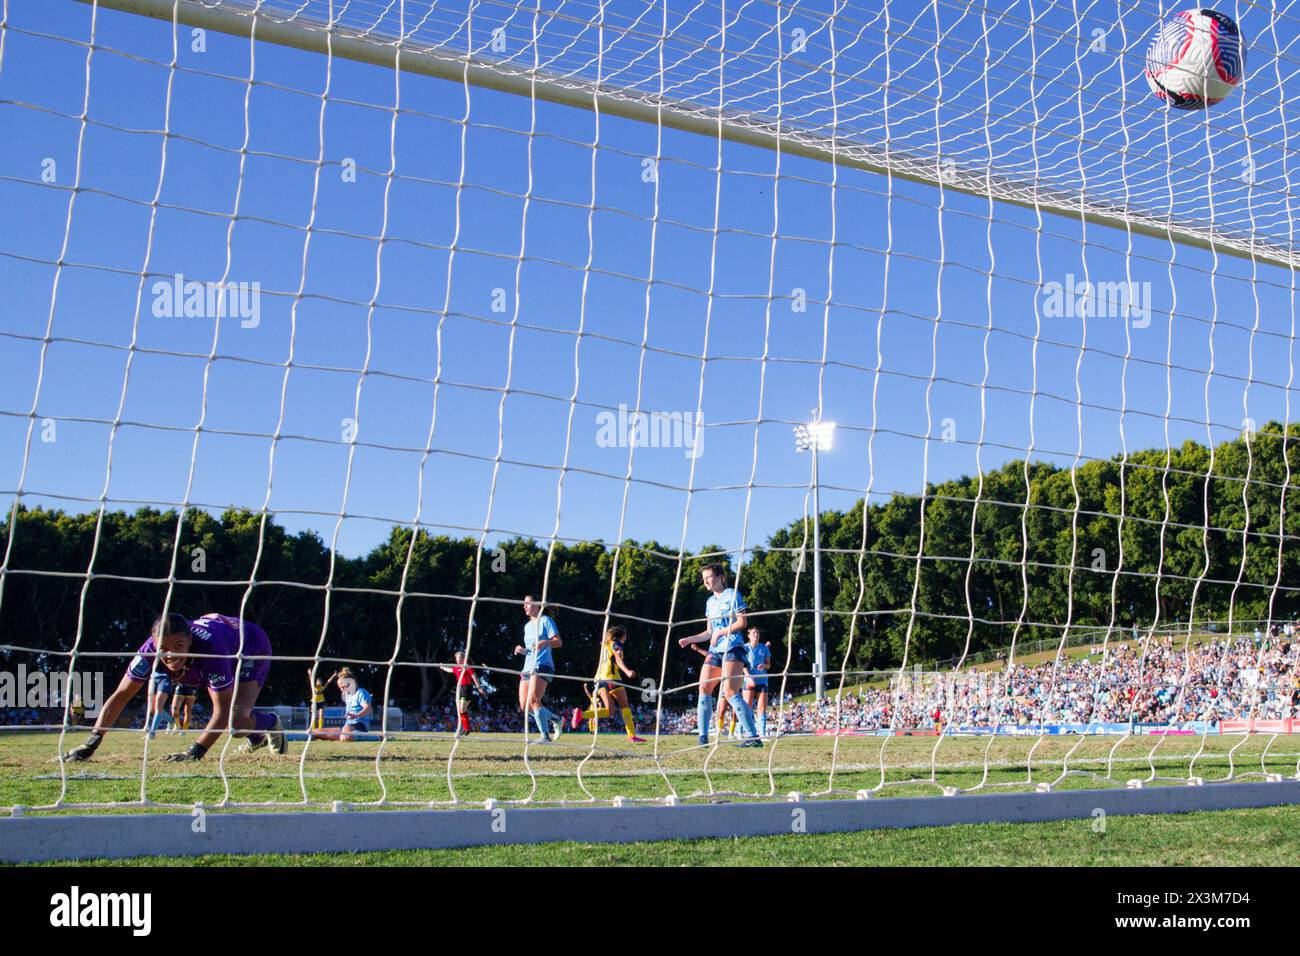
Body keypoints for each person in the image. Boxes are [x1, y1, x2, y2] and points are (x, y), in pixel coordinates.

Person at [64, 612, 285, 762]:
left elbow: (222, 710)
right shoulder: (149, 651)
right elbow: (121, 695)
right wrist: (91, 743)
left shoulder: (211, 651)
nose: (171, 655)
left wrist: (195, 752)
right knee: (237, 725)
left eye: (179, 646)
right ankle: (257, 738)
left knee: (234, 722)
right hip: (222, 633)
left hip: (251, 646)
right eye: (164, 648)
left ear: (190, 639)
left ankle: (271, 722)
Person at [677, 563, 762, 747]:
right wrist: (689, 638)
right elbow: (709, 632)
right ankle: (703, 737)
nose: (706, 581)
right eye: (704, 578)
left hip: (733, 648)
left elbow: (742, 622)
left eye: (709, 577)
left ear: (721, 577)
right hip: (716, 650)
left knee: (730, 692)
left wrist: (721, 632)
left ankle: (753, 737)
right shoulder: (709, 602)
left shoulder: (733, 595)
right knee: (704, 688)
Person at [570, 625, 646, 743]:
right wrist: (627, 671)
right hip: (612, 678)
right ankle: (632, 736)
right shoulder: (617, 644)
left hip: (599, 680)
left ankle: (581, 714)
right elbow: (617, 658)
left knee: (610, 711)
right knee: (625, 706)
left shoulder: (605, 645)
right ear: (623, 636)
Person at [513, 594, 564, 742]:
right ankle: (557, 719)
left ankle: (545, 737)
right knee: (525, 706)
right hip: (527, 666)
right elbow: (531, 650)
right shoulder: (527, 626)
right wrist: (523, 651)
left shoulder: (546, 621)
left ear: (537, 605)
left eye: (527, 603)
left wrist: (544, 642)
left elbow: (558, 642)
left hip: (543, 665)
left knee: (535, 700)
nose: (524, 606)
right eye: (524, 604)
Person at [440, 650, 483, 736]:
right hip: (460, 689)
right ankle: (466, 728)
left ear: (463, 658)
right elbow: (450, 670)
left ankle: (467, 728)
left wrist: (479, 688)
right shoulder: (456, 668)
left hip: (467, 689)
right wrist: (442, 667)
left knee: (462, 710)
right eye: (456, 659)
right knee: (462, 711)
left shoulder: (467, 667)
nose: (458, 660)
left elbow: (474, 677)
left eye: (459, 658)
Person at [743, 628, 771, 738]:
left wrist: (763, 665)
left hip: (762, 680)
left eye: (758, 633)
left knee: (762, 708)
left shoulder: (763, 648)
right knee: (747, 707)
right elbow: (741, 664)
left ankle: (762, 735)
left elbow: (769, 665)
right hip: (748, 680)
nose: (756, 634)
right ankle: (743, 732)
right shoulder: (744, 648)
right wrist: (748, 676)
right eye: (754, 633)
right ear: (749, 635)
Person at [337, 668, 372, 741]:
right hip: (348, 724)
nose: (341, 689)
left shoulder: (360, 692)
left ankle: (376, 737)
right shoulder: (347, 695)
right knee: (319, 732)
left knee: (345, 737)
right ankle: (353, 734)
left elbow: (367, 708)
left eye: (343, 686)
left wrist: (356, 715)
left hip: (359, 724)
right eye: (340, 687)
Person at [306, 667, 336, 733]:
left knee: (321, 715)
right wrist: (310, 674)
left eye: (320, 681)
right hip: (314, 702)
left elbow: (328, 682)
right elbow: (311, 680)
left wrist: (333, 675)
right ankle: (313, 728)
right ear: (316, 682)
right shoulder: (314, 687)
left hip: (321, 702)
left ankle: (320, 729)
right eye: (318, 681)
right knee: (314, 715)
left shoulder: (322, 688)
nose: (319, 682)